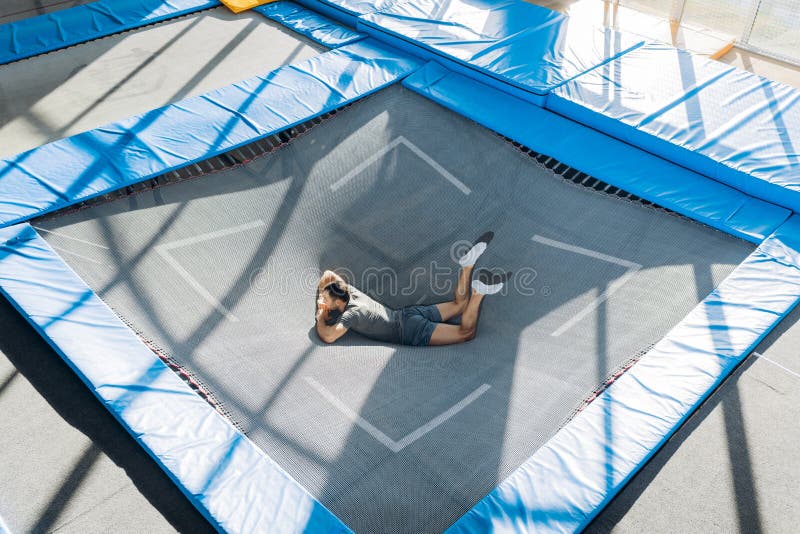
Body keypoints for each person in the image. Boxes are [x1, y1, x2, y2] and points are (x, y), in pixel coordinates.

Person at [315, 232, 510, 346]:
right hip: (407, 314)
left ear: (339, 303)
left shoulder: (352, 314)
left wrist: (320, 314)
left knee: (465, 333)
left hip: (409, 331)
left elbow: (329, 336)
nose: (321, 300)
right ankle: (467, 264)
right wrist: (325, 296)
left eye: (325, 299)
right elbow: (328, 275)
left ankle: (479, 291)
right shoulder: (350, 292)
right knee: (459, 305)